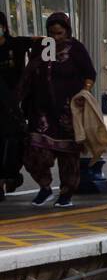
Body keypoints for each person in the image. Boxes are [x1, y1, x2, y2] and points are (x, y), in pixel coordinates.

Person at [18, 12, 96, 207]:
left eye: (59, 33)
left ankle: (66, 193)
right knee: (34, 152)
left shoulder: (76, 49)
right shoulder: (42, 48)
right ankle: (45, 187)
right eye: (52, 33)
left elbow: (89, 73)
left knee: (68, 157)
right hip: (42, 112)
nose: (56, 37)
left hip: (67, 112)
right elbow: (29, 74)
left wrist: (83, 93)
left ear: (67, 31)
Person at [0, 12, 35, 199]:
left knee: (12, 142)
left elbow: (42, 42)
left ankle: (11, 176)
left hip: (11, 107)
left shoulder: (17, 44)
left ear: (4, 27)